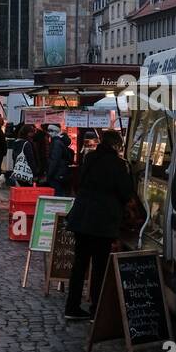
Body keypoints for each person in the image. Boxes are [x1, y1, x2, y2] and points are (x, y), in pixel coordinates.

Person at [63, 130, 135, 321]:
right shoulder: (119, 165)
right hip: (103, 220)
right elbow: (126, 192)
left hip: (82, 216)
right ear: (116, 146)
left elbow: (78, 183)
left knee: (79, 264)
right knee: (100, 266)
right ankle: (96, 309)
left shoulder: (90, 158)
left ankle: (72, 307)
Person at [45, 127, 74, 194]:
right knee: (60, 193)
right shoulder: (61, 144)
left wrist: (49, 175)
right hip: (61, 174)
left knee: (58, 194)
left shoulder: (56, 143)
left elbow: (54, 160)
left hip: (56, 174)